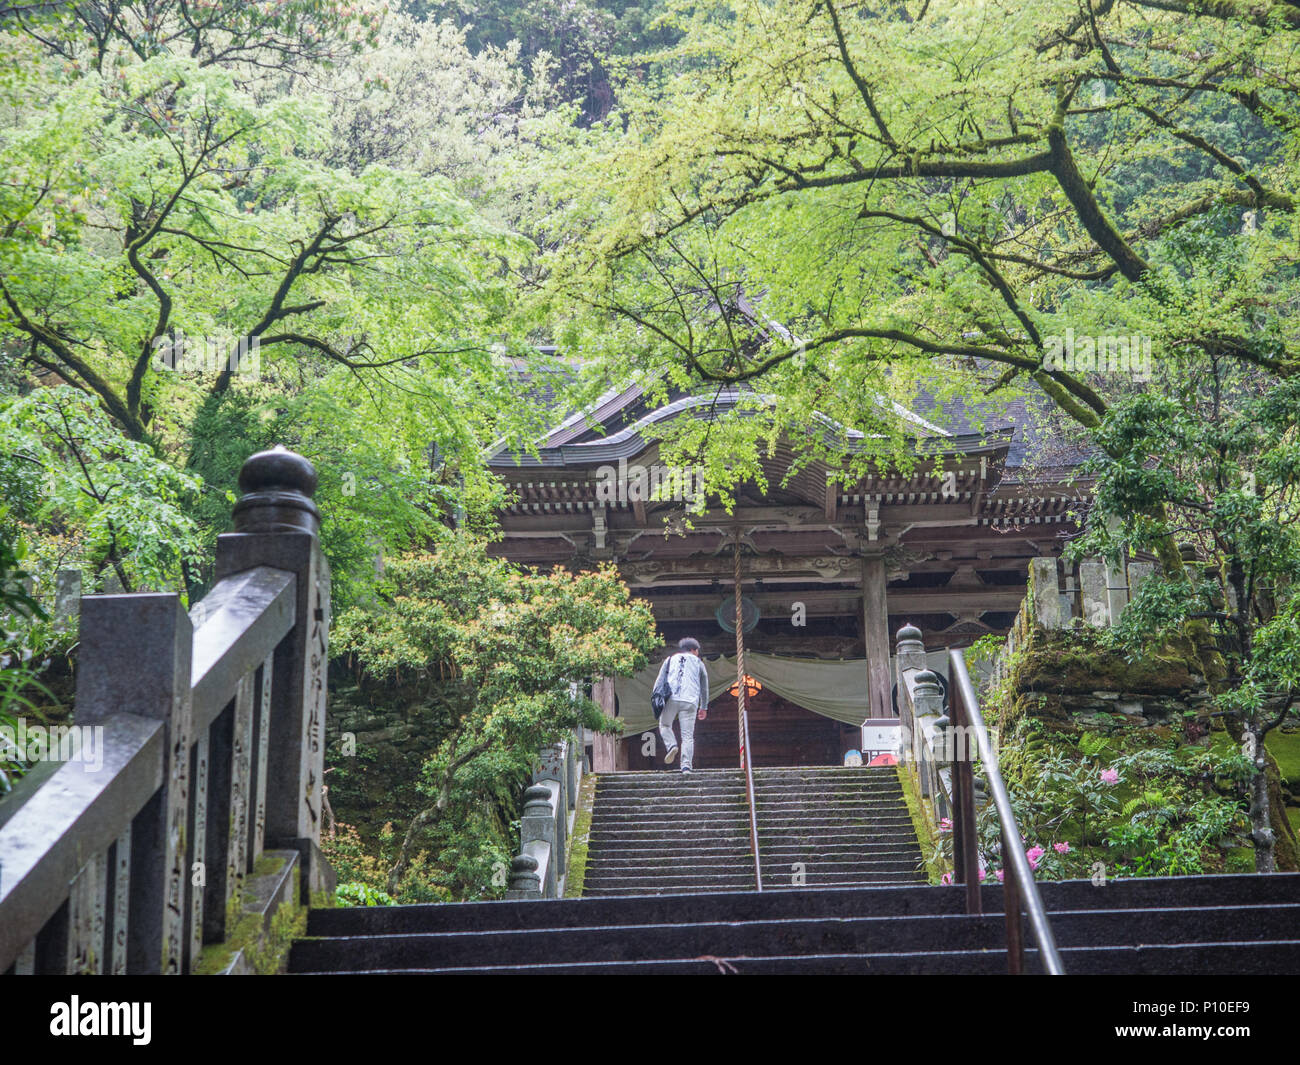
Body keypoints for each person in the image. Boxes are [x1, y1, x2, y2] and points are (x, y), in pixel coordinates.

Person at [653, 637, 709, 772]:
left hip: (671, 698)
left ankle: (671, 745)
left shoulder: (670, 660)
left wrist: (655, 701)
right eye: (697, 651)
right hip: (690, 701)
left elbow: (659, 682)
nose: (697, 653)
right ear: (693, 650)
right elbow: (704, 686)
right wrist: (704, 706)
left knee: (665, 725)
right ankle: (686, 766)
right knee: (688, 736)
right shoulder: (698, 663)